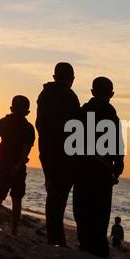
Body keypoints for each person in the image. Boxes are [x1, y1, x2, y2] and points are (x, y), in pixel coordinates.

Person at [72, 76, 124, 257]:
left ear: (92, 92)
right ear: (111, 94)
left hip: (83, 167)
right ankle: (98, 245)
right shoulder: (112, 116)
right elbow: (118, 147)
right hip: (102, 169)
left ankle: (85, 243)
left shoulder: (82, 112)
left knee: (82, 206)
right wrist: (117, 169)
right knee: (100, 210)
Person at [36, 62, 81, 246]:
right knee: (58, 196)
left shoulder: (44, 94)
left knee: (53, 193)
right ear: (71, 79)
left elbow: (40, 124)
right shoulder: (69, 96)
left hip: (46, 150)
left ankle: (54, 237)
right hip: (63, 153)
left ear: (55, 77)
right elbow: (76, 128)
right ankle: (56, 239)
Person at [0, 95, 36, 235]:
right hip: (16, 167)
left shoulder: (5, 122)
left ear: (11, 108)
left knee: (0, 196)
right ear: (28, 112)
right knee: (16, 198)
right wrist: (19, 164)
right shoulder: (28, 127)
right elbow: (27, 149)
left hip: (5, 165)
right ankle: (13, 229)